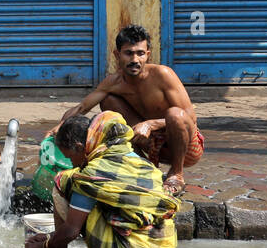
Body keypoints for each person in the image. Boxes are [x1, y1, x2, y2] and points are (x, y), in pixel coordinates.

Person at [49, 24, 202, 197]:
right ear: (117, 55)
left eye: (140, 53)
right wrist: (61, 127)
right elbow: (81, 107)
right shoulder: (113, 82)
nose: (135, 59)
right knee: (108, 102)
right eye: (129, 53)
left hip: (183, 146)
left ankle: (176, 174)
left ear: (148, 55)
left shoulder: (163, 74)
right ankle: (144, 169)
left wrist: (150, 124)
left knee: (175, 114)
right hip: (147, 144)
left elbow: (190, 116)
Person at [25, 112, 180, 248]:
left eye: (70, 157)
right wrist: (52, 237)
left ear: (79, 147)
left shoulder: (92, 174)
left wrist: (45, 247)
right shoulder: (135, 157)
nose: (71, 163)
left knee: (62, 181)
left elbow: (71, 230)